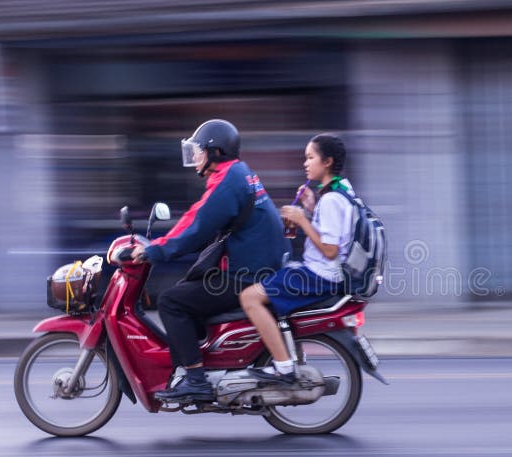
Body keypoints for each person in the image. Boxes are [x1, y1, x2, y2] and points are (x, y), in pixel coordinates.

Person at [131, 119, 287, 402]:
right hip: (253, 266)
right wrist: (158, 244)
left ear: (215, 152)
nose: (194, 156)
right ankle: (202, 358)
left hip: (246, 274)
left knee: (171, 301)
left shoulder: (228, 183)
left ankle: (195, 380)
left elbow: (197, 230)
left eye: (198, 150)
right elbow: (196, 215)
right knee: (189, 286)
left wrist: (155, 252)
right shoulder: (236, 174)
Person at [240, 133, 353, 383]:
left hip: (319, 275)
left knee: (248, 297)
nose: (305, 163)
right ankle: (290, 354)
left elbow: (331, 250)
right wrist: (312, 209)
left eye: (310, 157)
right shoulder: (341, 190)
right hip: (322, 272)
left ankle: (283, 366)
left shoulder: (332, 200)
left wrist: (302, 220)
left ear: (327, 161)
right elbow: (334, 233)